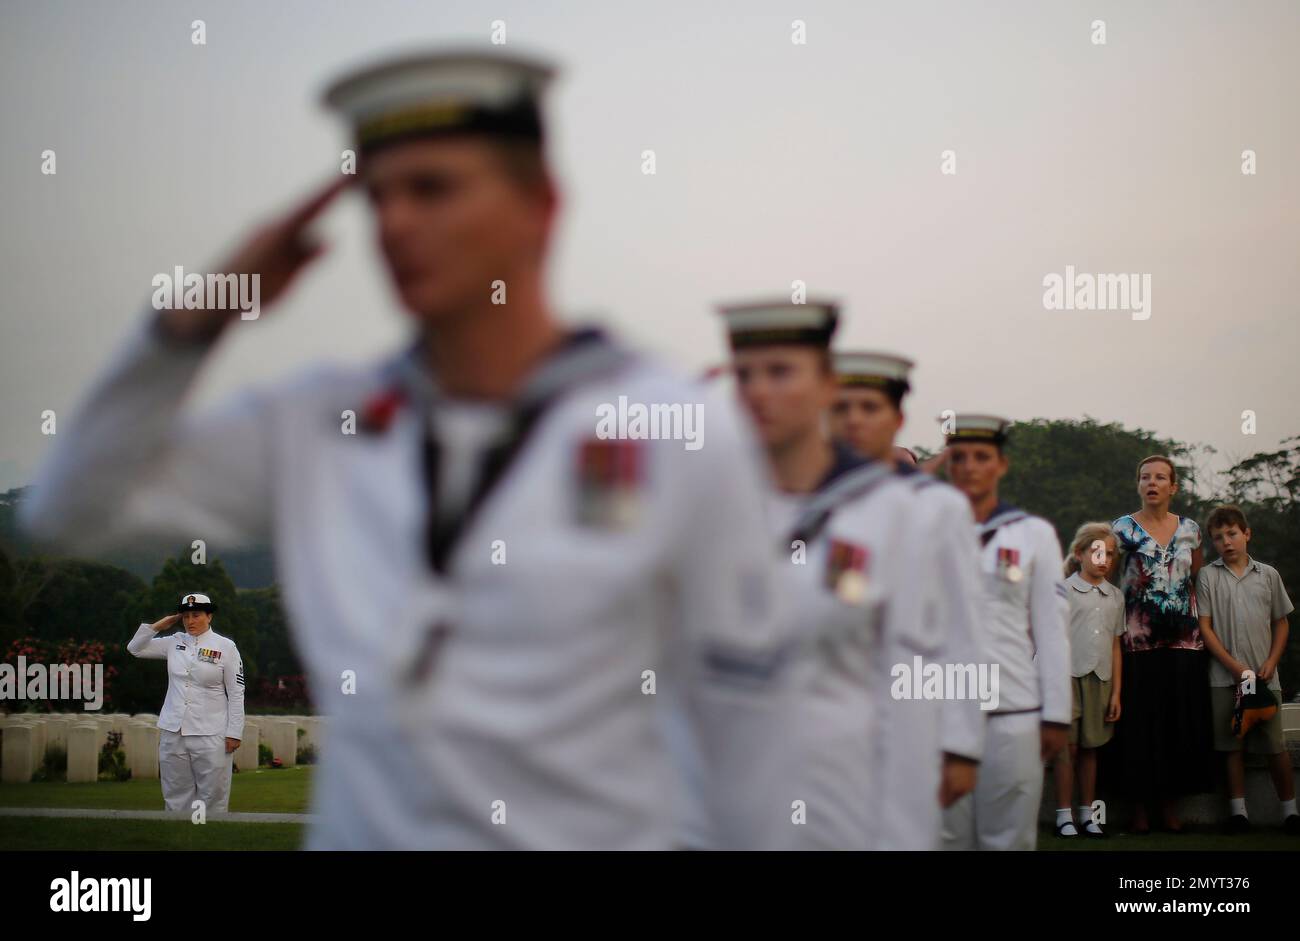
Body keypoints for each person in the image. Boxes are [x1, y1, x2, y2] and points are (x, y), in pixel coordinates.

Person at [21, 48, 793, 850]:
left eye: (433, 189)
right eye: (378, 196)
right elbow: (69, 508)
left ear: (542, 203)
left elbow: (748, 737)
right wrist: (194, 321)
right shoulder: (320, 420)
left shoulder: (670, 427)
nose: (394, 224)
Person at [718, 301, 935, 849]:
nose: (758, 391)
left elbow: (908, 687)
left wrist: (906, 832)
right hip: (720, 798)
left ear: (824, 386)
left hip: (835, 796)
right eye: (744, 374)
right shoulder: (709, 500)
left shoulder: (890, 511)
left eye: (780, 372)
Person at [830, 350, 985, 848]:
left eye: (869, 407)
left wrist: (962, 744)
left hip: (908, 709)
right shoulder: (808, 500)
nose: (854, 419)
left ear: (896, 419)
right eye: (842, 407)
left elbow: (966, 625)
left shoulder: (939, 508)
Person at [938, 414, 1070, 850]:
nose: (970, 466)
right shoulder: (925, 532)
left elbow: (1051, 628)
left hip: (1013, 712)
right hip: (939, 710)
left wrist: (1055, 713)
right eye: (959, 458)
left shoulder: (1032, 534)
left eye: (982, 457)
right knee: (942, 839)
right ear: (947, 465)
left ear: (1001, 465)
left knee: (1009, 840)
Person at [1111, 455, 1213, 833]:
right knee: (1139, 729)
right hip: (1138, 644)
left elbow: (1196, 575)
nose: (1152, 483)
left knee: (1176, 728)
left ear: (1173, 487)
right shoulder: (1122, 529)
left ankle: (1170, 811)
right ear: (1138, 485)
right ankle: (1138, 813)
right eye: (1145, 477)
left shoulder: (1191, 530)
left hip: (1185, 645)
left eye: (1160, 478)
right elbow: (1103, 570)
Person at [1196, 504, 1298, 834]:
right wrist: (1234, 667)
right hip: (1225, 679)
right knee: (1231, 744)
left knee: (1274, 746)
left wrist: (1269, 662)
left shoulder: (1268, 575)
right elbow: (1206, 628)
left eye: (1232, 534)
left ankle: (1289, 811)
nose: (1226, 542)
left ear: (1246, 534)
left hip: (1265, 677)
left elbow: (1281, 623)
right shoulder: (1208, 576)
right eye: (1218, 538)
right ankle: (1238, 813)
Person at [127, 593, 245, 813]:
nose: (190, 621)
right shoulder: (174, 642)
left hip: (211, 733)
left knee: (213, 796)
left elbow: (237, 692)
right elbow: (135, 649)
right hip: (173, 730)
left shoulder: (226, 647)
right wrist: (158, 626)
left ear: (209, 616)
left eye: (196, 615)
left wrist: (234, 732)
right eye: (186, 616)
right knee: (175, 795)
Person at [1052, 523, 1123, 838]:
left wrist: (1116, 693)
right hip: (1065, 679)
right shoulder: (1063, 591)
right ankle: (1063, 815)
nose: (1103, 559)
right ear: (1080, 554)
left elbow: (1115, 646)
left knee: (1091, 748)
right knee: (1068, 749)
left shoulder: (1115, 597)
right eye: (1096, 552)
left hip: (1101, 681)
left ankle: (1088, 814)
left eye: (1109, 553)